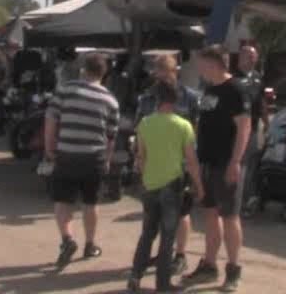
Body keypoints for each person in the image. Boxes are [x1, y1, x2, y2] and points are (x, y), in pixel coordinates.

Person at [182, 44, 251, 292]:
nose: (198, 68)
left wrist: (235, 162)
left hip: (226, 163)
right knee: (210, 213)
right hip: (207, 162)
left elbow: (244, 127)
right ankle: (209, 265)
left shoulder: (236, 89)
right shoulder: (209, 89)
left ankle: (233, 270)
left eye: (201, 63)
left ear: (213, 63)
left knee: (230, 216)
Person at [44, 51, 120, 270]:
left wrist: (50, 148)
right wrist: (106, 159)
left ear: (83, 69)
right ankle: (90, 244)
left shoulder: (65, 90)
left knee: (62, 201)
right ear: (104, 73)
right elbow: (111, 136)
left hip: (67, 153)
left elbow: (50, 119)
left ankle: (67, 240)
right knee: (91, 202)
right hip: (94, 157)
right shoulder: (110, 100)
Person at [128, 82, 205, 293]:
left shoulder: (144, 123)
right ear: (176, 101)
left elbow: (141, 156)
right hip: (173, 186)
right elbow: (191, 160)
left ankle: (135, 275)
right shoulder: (183, 125)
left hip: (150, 185)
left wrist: (145, 179)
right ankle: (162, 284)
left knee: (147, 233)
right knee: (167, 237)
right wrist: (199, 186)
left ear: (158, 100)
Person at [232, 45, 268, 213]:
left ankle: (248, 199)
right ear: (241, 58)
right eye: (250, 56)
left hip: (253, 129)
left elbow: (262, 102)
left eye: (255, 57)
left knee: (251, 163)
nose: (253, 60)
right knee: (239, 163)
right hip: (235, 131)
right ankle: (235, 200)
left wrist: (266, 122)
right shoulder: (233, 79)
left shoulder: (258, 78)